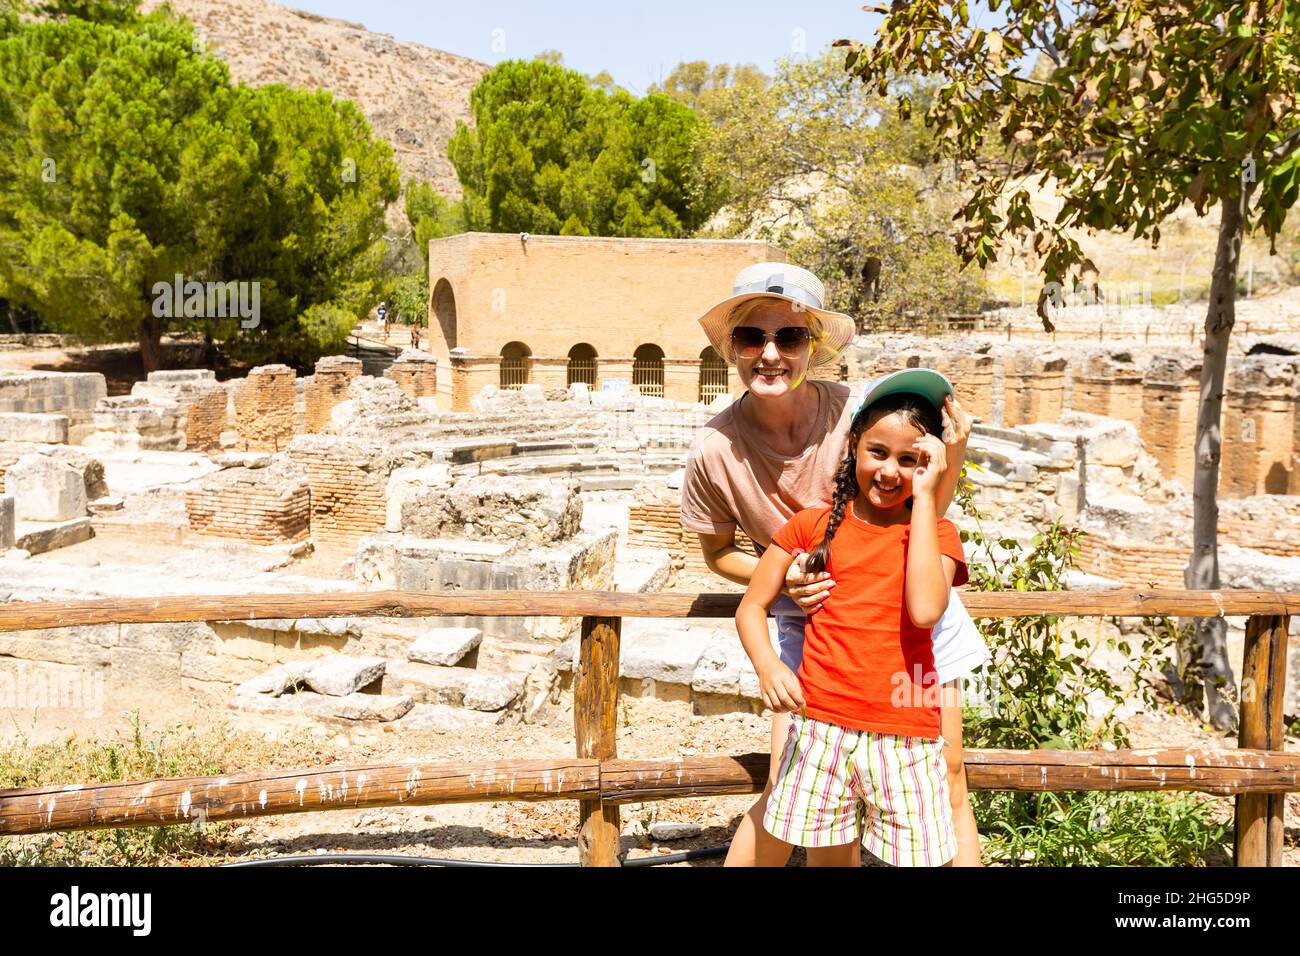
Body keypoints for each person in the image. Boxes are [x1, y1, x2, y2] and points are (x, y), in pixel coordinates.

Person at [679, 261, 988, 866]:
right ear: (733, 350)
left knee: (948, 774)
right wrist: (789, 575)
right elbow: (719, 556)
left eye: (789, 337)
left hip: (911, 607)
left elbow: (919, 510)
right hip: (815, 617)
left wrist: (957, 454)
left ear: (812, 346)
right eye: (752, 338)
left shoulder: (858, 412)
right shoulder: (715, 448)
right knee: (793, 786)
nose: (770, 353)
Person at [735, 370, 966, 866]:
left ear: (930, 462)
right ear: (854, 446)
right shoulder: (810, 525)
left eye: (911, 460)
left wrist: (926, 496)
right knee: (828, 861)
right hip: (821, 728)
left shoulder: (937, 533)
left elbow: (925, 610)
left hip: (905, 737)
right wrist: (769, 666)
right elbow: (752, 605)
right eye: (878, 452)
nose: (889, 472)